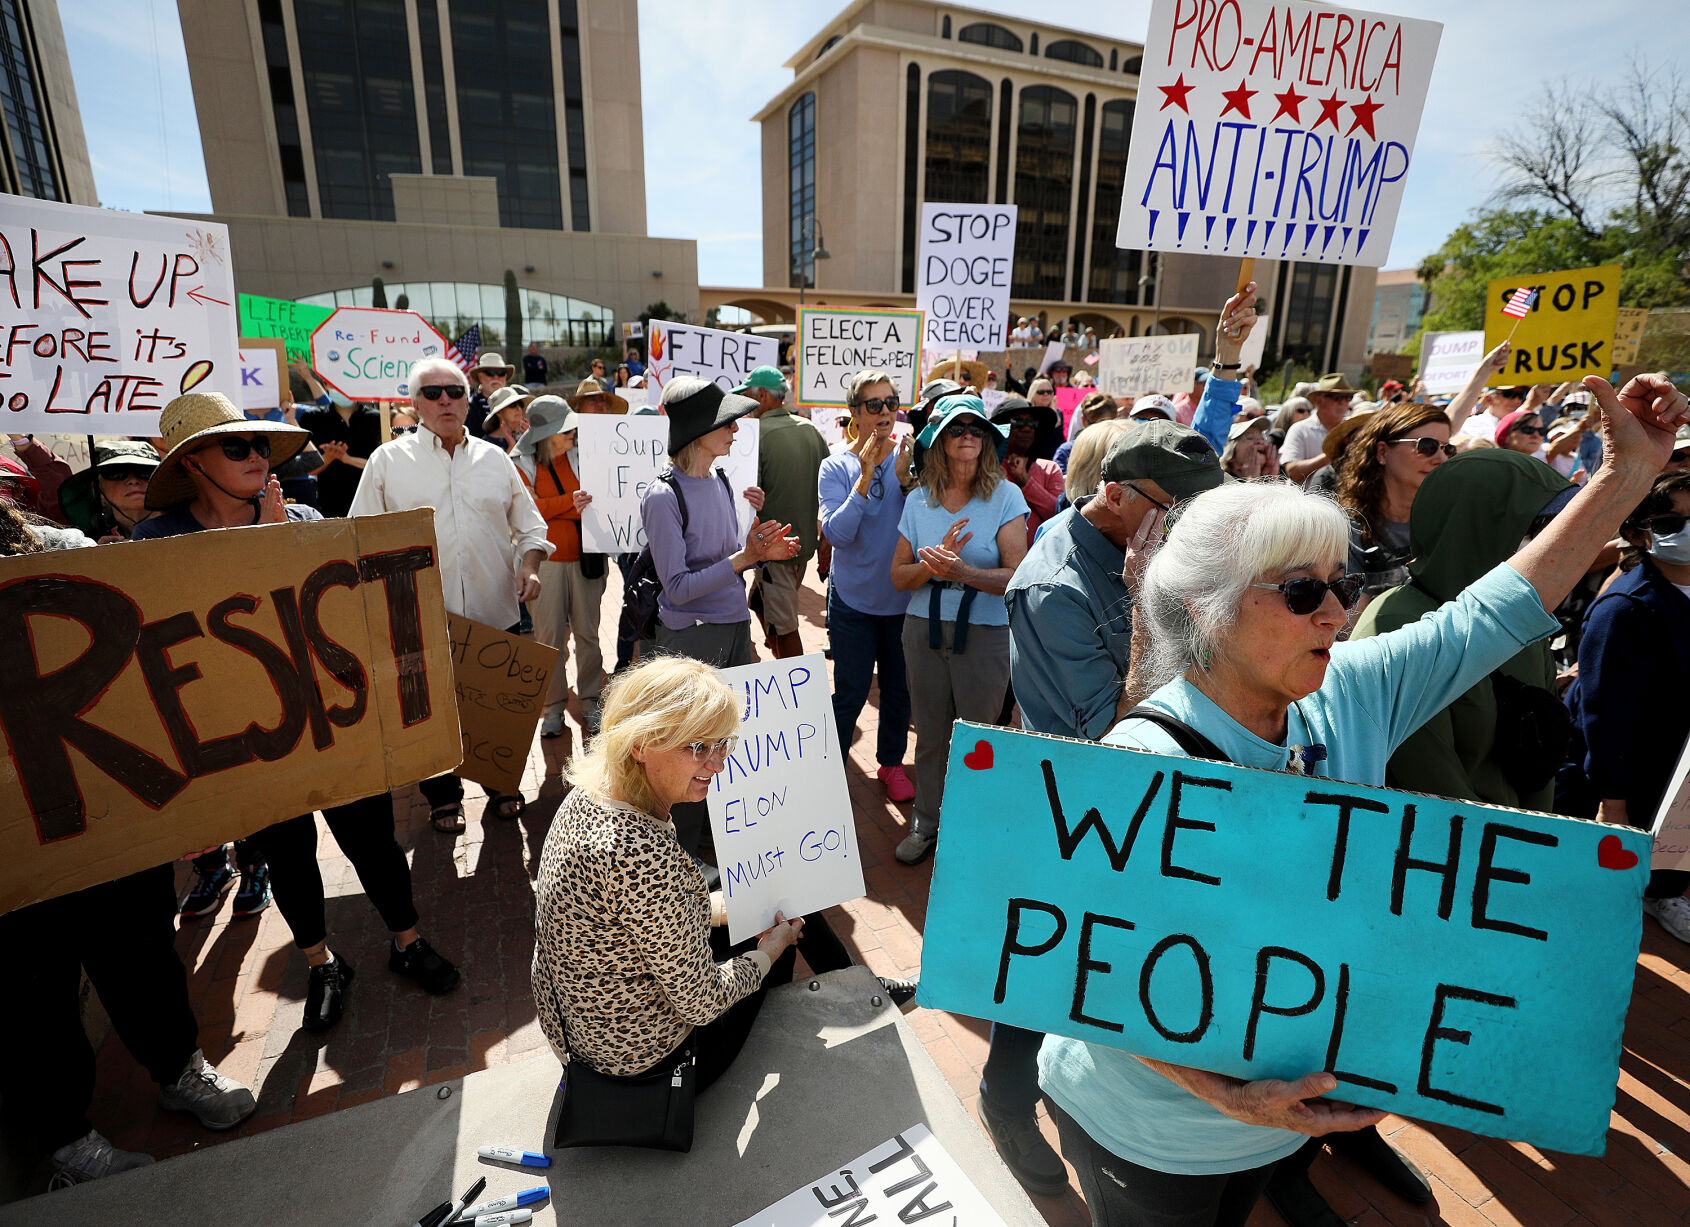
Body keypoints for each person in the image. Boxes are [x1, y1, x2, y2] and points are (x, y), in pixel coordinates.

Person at [1038, 371, 1687, 1227]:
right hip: (1154, 1133)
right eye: (1304, 592)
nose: (1338, 613)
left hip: (1283, 1117)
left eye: (1341, 585)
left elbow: (1495, 610)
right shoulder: (1143, 759)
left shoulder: (1354, 689)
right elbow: (1086, 975)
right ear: (1208, 609)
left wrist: (1626, 476)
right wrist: (1229, 1098)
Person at [132, 392, 459, 1030]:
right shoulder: (156, 539)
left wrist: (289, 540)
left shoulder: (303, 513)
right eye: (236, 447)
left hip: (332, 718)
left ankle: (407, 942)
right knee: (289, 856)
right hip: (244, 734)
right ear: (192, 464)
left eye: (260, 444)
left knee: (374, 841)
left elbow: (344, 612)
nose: (257, 456)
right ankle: (320, 963)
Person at [988, 424, 1224, 1195]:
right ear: (1116, 496)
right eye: (1175, 513)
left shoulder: (1149, 526)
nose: (1193, 531)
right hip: (1078, 810)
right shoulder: (1057, 587)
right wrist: (1142, 605)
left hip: (1149, 799)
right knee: (1044, 965)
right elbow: (1108, 744)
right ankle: (1006, 1097)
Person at [0, 484, 259, 1186]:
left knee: (140, 951)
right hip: (11, 850)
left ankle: (178, 1067)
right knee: (32, 989)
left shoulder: (57, 553)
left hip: (100, 813)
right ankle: (64, 1137)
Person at [532, 656, 806, 1091]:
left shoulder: (591, 792)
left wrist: (731, 908)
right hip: (645, 1065)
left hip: (584, 1033)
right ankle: (829, 1002)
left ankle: (841, 973)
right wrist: (769, 953)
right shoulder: (639, 855)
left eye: (721, 744)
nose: (717, 765)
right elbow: (703, 1002)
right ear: (640, 744)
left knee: (767, 898)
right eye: (697, 748)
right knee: (781, 933)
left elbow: (649, 917)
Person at [350, 355, 553, 829]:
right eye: (433, 393)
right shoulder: (387, 461)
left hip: (493, 610)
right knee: (429, 713)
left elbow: (531, 528)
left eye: (455, 391)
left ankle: (501, 785)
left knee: (494, 710)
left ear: (469, 399)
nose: (445, 400)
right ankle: (443, 796)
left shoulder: (494, 458)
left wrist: (530, 566)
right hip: (419, 616)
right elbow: (358, 535)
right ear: (414, 403)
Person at [889, 394, 1029, 864]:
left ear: (987, 440)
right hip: (923, 632)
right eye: (956, 428)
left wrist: (963, 573)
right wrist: (934, 569)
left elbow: (1019, 576)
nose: (967, 435)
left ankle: (973, 831)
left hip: (985, 636)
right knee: (929, 735)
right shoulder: (918, 500)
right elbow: (898, 576)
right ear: (939, 441)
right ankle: (926, 825)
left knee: (979, 737)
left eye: (975, 428)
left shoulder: (1006, 496)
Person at [1565, 470, 1690, 943]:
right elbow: (1605, 716)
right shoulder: (1626, 607)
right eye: (1671, 521)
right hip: (1637, 768)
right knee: (1621, 871)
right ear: (1639, 532)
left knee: (1673, 849)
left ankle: (1665, 892)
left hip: (1681, 758)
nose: (1687, 530)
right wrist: (1612, 804)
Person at [642, 376, 795, 668]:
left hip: (736, 622)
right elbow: (678, 588)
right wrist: (745, 557)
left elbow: (727, 558)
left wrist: (759, 556)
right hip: (693, 636)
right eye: (726, 422)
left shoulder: (720, 478)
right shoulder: (663, 496)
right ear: (698, 430)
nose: (736, 427)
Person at [819, 369, 918, 805]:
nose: (883, 412)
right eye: (873, 405)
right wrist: (865, 475)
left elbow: (924, 522)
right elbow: (838, 535)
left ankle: (891, 763)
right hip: (853, 603)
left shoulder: (911, 459)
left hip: (902, 601)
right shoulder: (834, 465)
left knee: (899, 690)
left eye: (890, 403)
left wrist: (906, 480)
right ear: (854, 413)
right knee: (852, 692)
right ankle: (830, 771)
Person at [513, 396, 606, 741]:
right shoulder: (520, 462)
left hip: (586, 561)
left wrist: (558, 508)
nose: (572, 433)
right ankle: (553, 709)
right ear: (546, 434)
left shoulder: (583, 455)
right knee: (548, 640)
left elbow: (595, 500)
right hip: (544, 565)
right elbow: (527, 511)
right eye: (565, 428)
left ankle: (592, 702)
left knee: (588, 635)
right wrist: (570, 504)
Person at [738, 365, 829, 658]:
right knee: (761, 603)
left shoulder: (756, 435)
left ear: (762, 395)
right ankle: (780, 654)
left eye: (749, 396)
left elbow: (748, 498)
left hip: (774, 549)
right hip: (802, 546)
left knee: (786, 625)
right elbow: (829, 490)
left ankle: (796, 684)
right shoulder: (811, 430)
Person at [1334, 400, 1453, 600]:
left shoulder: (1448, 524)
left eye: (1447, 449)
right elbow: (1351, 624)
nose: (1441, 459)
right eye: (1427, 446)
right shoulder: (1345, 530)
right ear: (1382, 452)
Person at [295, 381, 384, 518]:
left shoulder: (377, 419)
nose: (342, 389)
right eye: (335, 384)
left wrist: (347, 459)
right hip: (330, 503)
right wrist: (329, 456)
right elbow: (312, 469)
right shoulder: (313, 418)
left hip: (371, 501)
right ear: (326, 385)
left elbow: (382, 465)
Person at [991, 394, 1065, 541]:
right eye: (1017, 422)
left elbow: (1058, 514)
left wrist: (1025, 480)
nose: (1026, 428)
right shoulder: (987, 470)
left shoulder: (1050, 469)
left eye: (1032, 423)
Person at [57, 439, 161, 542]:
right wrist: (102, 556)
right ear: (98, 489)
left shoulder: (177, 525)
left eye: (145, 471)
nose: (133, 481)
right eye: (116, 473)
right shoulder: (86, 543)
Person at [1278, 374, 1355, 484]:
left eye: (1348, 398)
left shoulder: (1353, 429)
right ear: (1319, 401)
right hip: (1307, 499)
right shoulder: (1300, 429)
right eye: (1338, 398)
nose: (1344, 402)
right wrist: (1330, 455)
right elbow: (1292, 472)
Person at [1054, 391, 1117, 472]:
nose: (1100, 430)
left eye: (1105, 424)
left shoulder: (1120, 453)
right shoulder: (1066, 453)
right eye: (1095, 424)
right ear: (1083, 421)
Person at [467, 351, 516, 436]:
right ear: (480, 377)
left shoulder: (517, 402)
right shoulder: (470, 407)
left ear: (505, 377)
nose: (496, 377)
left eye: (501, 373)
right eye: (490, 372)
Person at [482, 384, 534, 453]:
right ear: (499, 412)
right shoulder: (487, 444)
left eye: (520, 404)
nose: (518, 408)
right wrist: (511, 448)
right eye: (513, 405)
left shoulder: (531, 433)